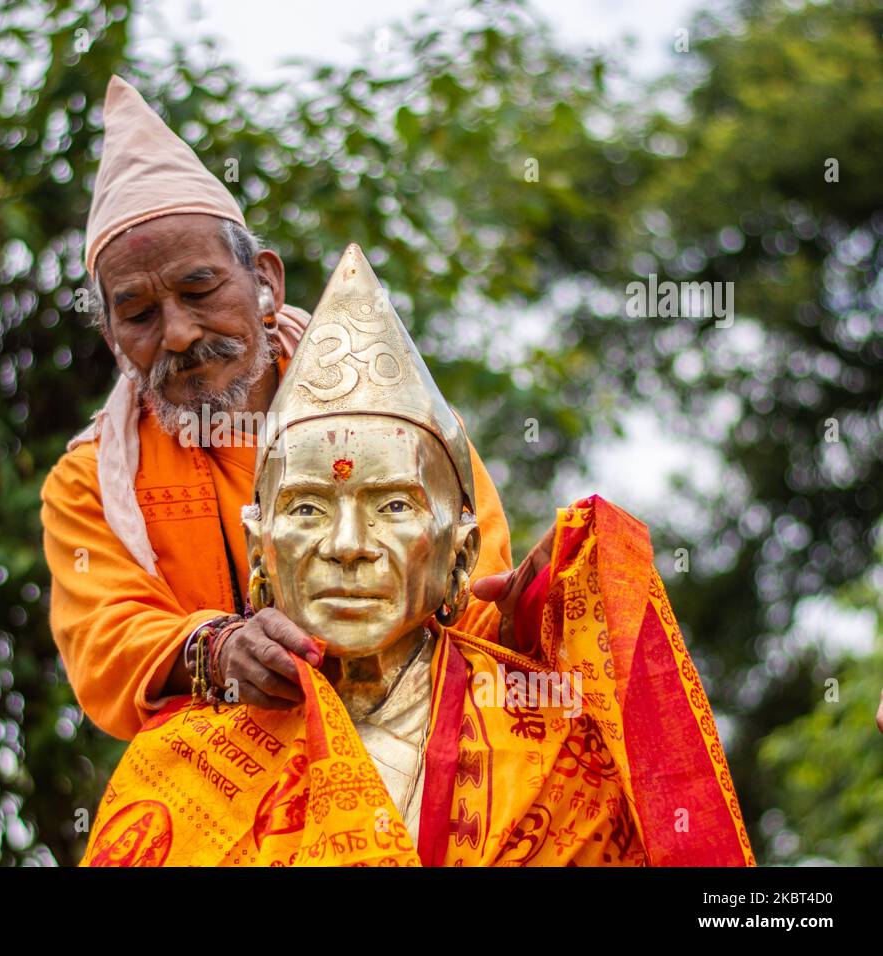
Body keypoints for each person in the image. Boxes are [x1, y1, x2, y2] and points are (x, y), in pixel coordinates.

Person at [78, 246, 754, 866]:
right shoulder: (183, 766)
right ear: (261, 551)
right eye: (307, 508)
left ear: (461, 554)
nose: (346, 547)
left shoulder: (555, 745)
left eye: (394, 506)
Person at [41, 76, 551, 743]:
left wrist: (533, 606)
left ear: (265, 282)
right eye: (138, 313)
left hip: (429, 750)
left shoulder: (393, 409)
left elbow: (476, 586)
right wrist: (219, 651)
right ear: (111, 339)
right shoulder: (88, 483)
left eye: (200, 290)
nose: (178, 335)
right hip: (219, 788)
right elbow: (104, 641)